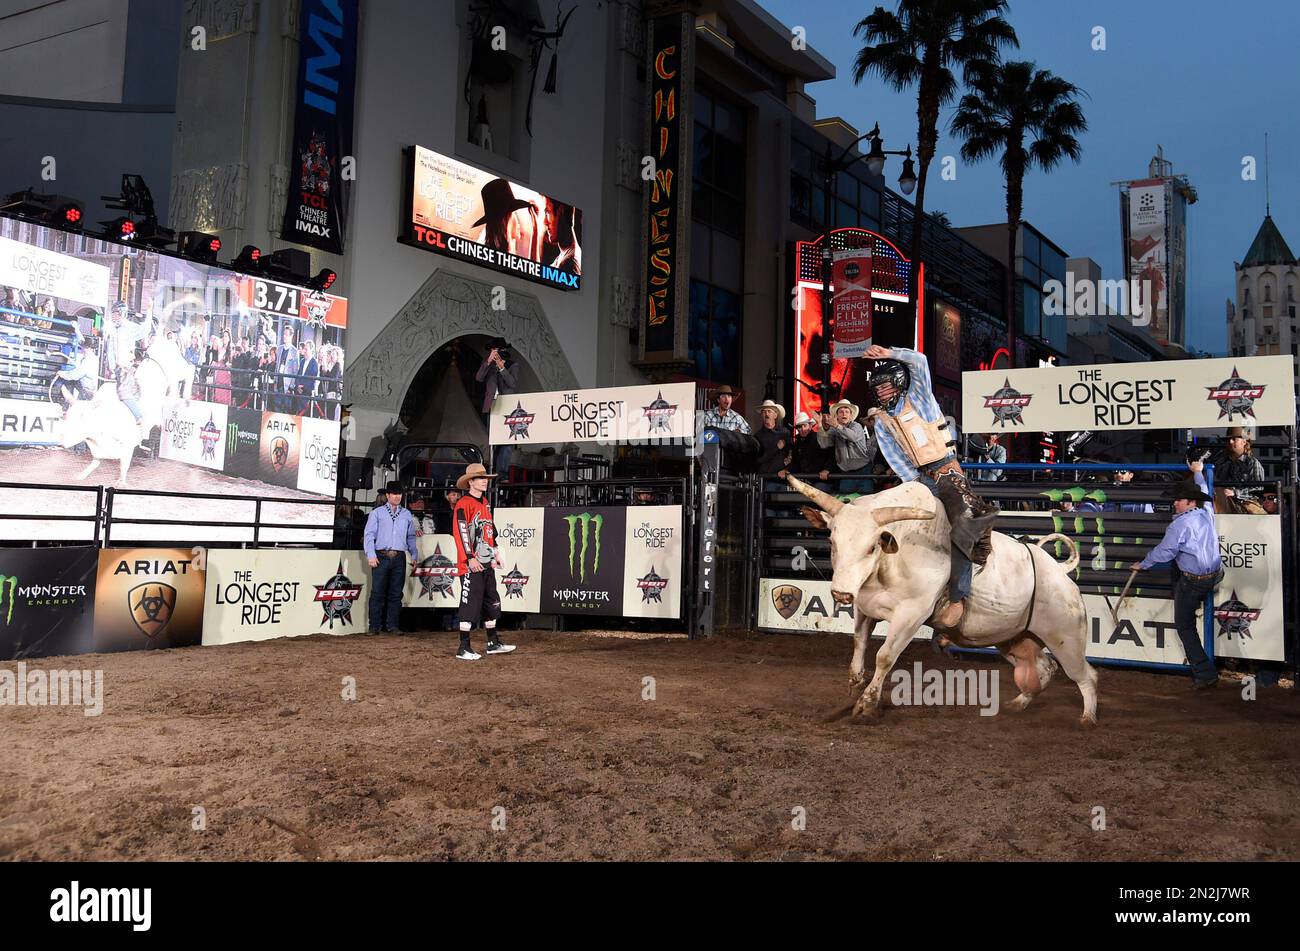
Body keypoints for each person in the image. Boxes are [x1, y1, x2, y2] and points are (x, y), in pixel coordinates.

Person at [862, 343, 996, 630]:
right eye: (878, 389)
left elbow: (920, 361)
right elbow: (895, 458)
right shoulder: (882, 422)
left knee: (961, 523)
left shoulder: (919, 398)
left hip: (948, 471)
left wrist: (889, 353)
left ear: (898, 383)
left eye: (886, 386)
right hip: (919, 478)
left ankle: (959, 596)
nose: (882, 392)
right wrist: (914, 484)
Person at [1130, 459, 1222, 689]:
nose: (1175, 503)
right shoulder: (1205, 511)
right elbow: (1203, 490)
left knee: (1184, 624)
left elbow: (1165, 551)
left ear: (1189, 502)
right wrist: (1199, 473)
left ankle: (1204, 672)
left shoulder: (1179, 526)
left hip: (1194, 581)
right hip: (1214, 573)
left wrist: (1143, 564)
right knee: (1181, 570)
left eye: (1179, 500)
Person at [452, 462, 516, 661]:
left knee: (491, 601)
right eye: (481, 479)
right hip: (471, 564)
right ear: (471, 482)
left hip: (486, 563)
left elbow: (490, 532)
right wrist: (469, 558)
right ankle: (463, 647)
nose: (485, 482)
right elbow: (461, 532)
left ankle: (492, 642)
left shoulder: (485, 503)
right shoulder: (464, 504)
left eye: (486, 479)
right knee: (470, 604)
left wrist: (496, 552)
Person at [363, 480, 419, 634]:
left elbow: (411, 537)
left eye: (399, 494)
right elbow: (369, 535)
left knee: (396, 593)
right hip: (381, 555)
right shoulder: (377, 513)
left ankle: (392, 625)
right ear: (387, 495)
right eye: (394, 494)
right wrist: (371, 555)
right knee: (377, 593)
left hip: (399, 556)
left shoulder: (406, 514)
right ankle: (374, 626)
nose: (397, 497)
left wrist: (414, 555)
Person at [816, 398, 874, 488]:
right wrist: (820, 426)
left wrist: (836, 426)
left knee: (866, 499)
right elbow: (824, 444)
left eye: (847, 412)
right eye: (841, 412)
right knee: (845, 500)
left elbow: (853, 437)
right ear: (837, 416)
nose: (844, 414)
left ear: (851, 416)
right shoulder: (833, 429)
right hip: (846, 473)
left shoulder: (856, 426)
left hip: (864, 470)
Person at [1210, 427, 1266, 513]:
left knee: (1257, 515)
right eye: (1228, 439)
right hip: (1220, 499)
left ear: (1244, 441)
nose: (1230, 442)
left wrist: (1235, 493)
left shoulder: (1253, 463)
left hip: (1245, 502)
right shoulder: (1219, 461)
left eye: (1233, 439)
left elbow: (1258, 489)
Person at [543, 196, 582, 275]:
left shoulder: (568, 263)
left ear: (560, 211)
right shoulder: (564, 256)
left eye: (547, 212)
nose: (545, 222)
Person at [754, 399, 790, 475]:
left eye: (769, 411)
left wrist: (787, 468)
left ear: (775, 415)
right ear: (761, 415)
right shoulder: (758, 436)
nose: (766, 414)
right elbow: (758, 460)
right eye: (764, 412)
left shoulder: (784, 432)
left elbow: (791, 453)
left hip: (783, 478)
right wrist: (776, 448)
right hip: (767, 478)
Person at [276, 324, 300, 413]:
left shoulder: (295, 351)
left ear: (291, 336)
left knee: (286, 409)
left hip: (287, 387)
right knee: (276, 408)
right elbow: (277, 365)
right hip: (278, 383)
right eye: (283, 334)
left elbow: (296, 370)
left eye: (286, 334)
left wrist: (291, 386)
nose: (284, 336)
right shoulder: (279, 349)